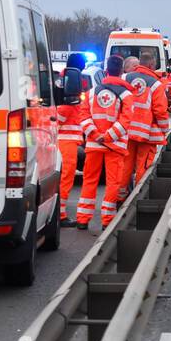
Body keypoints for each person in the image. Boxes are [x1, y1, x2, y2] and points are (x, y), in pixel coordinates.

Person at [75, 54, 135, 230]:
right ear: (122, 71)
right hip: (114, 146)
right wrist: (108, 136)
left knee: (89, 180)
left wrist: (95, 134)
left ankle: (82, 219)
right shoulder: (126, 94)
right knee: (112, 183)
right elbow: (126, 121)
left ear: (106, 70)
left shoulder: (92, 92)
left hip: (94, 145)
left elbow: (83, 116)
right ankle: (107, 221)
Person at [56, 51, 90, 227]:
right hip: (66, 140)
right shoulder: (70, 82)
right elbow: (61, 112)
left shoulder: (69, 79)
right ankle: (60, 216)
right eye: (83, 63)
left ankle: (59, 212)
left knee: (65, 177)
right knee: (66, 177)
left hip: (68, 138)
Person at [125, 52, 170, 179]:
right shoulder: (156, 84)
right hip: (146, 133)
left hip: (125, 130)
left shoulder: (125, 78)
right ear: (151, 64)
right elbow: (160, 111)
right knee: (143, 166)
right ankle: (137, 195)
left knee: (125, 164)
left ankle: (120, 196)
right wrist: (164, 129)